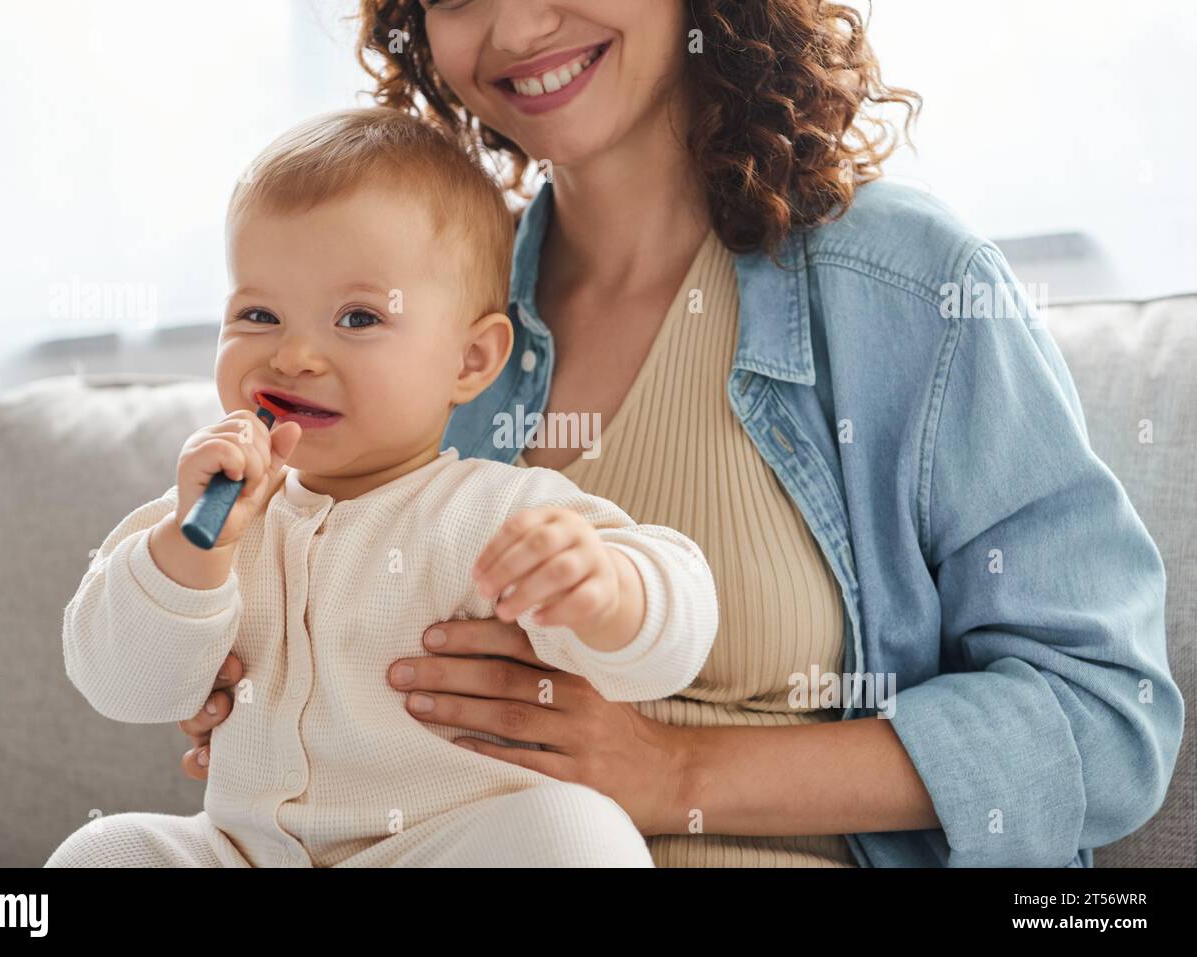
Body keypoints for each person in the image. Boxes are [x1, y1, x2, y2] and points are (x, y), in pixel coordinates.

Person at [179, 0, 1184, 867]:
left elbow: (1105, 723)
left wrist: (677, 774)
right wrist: (286, 688)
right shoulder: (419, 334)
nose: (519, 28)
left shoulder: (909, 288)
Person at [46, 107, 718, 867]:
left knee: (572, 833)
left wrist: (608, 593)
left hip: (440, 849)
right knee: (103, 850)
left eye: (358, 317)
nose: (294, 354)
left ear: (470, 360)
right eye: (259, 313)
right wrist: (187, 563)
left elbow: (675, 635)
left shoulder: (496, 511)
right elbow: (121, 686)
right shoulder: (204, 519)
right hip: (242, 852)